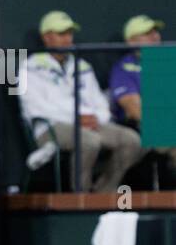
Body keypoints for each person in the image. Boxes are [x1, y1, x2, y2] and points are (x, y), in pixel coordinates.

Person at [17, 10, 141, 193]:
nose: (67, 39)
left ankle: (104, 191)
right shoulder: (29, 67)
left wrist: (96, 117)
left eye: (69, 33)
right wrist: (77, 118)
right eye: (61, 34)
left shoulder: (82, 66)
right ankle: (80, 195)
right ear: (47, 37)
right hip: (50, 127)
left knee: (131, 141)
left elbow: (100, 102)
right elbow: (35, 108)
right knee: (89, 141)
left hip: (89, 123)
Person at [108, 14, 176, 185]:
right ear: (132, 41)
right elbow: (134, 110)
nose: (155, 37)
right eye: (147, 33)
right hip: (143, 126)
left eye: (155, 32)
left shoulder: (166, 62)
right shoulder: (124, 68)